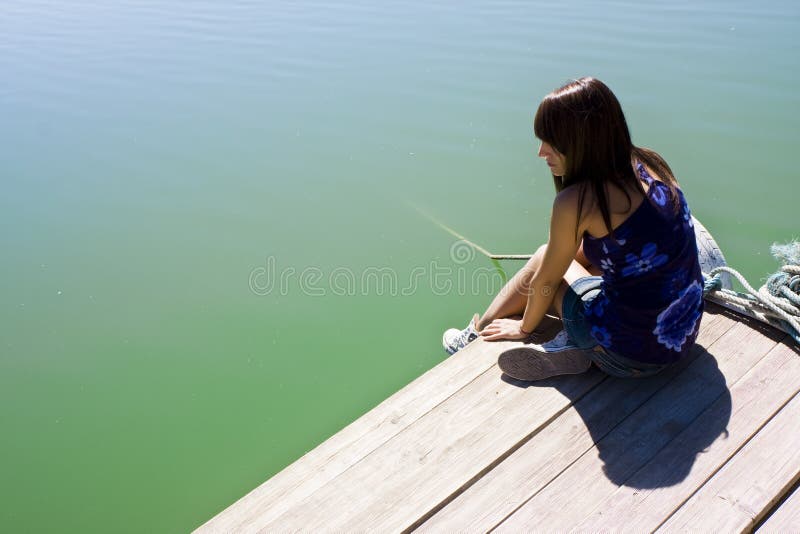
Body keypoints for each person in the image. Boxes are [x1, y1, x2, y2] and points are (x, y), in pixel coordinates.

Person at [442, 77, 704, 381]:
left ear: (582, 141)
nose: (541, 152)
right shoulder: (647, 163)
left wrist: (524, 327)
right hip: (679, 338)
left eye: (551, 142)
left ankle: (478, 334)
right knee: (570, 259)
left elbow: (549, 276)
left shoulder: (578, 202)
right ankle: (568, 344)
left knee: (545, 257)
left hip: (628, 356)